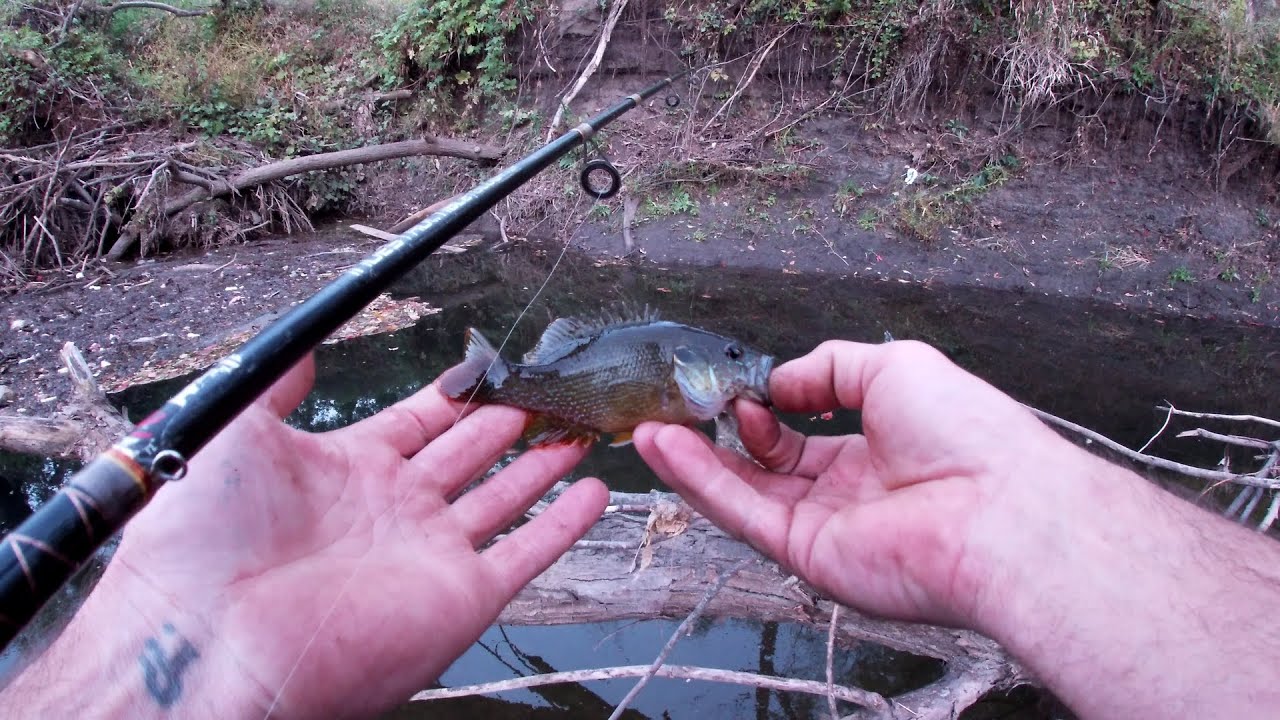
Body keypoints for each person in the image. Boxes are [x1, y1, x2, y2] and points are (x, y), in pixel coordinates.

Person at [1, 340, 1278, 718]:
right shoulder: (654, 382)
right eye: (726, 363)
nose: (738, 377)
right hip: (559, 404)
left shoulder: (683, 391)